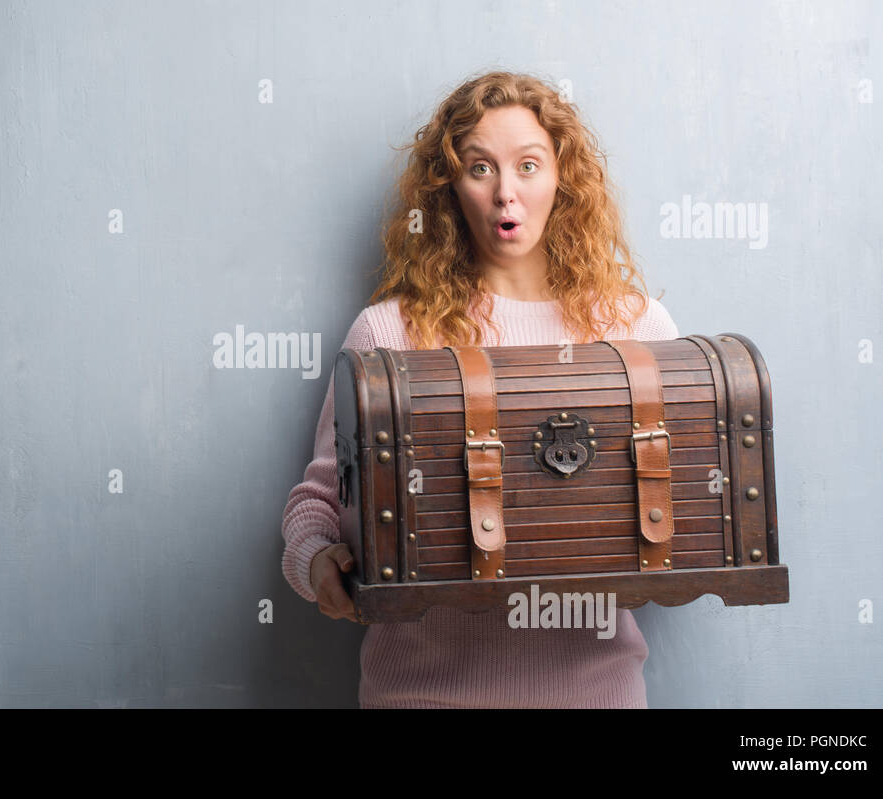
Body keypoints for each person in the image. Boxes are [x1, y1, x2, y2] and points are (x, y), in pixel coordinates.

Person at [280, 71, 681, 708]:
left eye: (528, 165)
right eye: (480, 168)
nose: (506, 194)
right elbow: (320, 500)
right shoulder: (388, 331)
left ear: (563, 177)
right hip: (422, 694)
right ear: (448, 188)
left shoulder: (635, 329)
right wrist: (315, 562)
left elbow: (686, 502)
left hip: (594, 693)